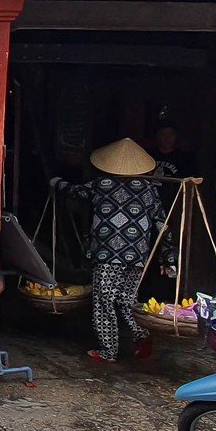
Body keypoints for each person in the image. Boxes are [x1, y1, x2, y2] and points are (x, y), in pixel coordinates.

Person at [52, 138, 166, 363]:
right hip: (137, 256)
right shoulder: (150, 190)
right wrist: (168, 258)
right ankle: (140, 335)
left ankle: (108, 351)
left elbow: (74, 191)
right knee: (126, 299)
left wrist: (56, 182)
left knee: (104, 301)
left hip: (108, 256)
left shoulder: (101, 184)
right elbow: (162, 225)